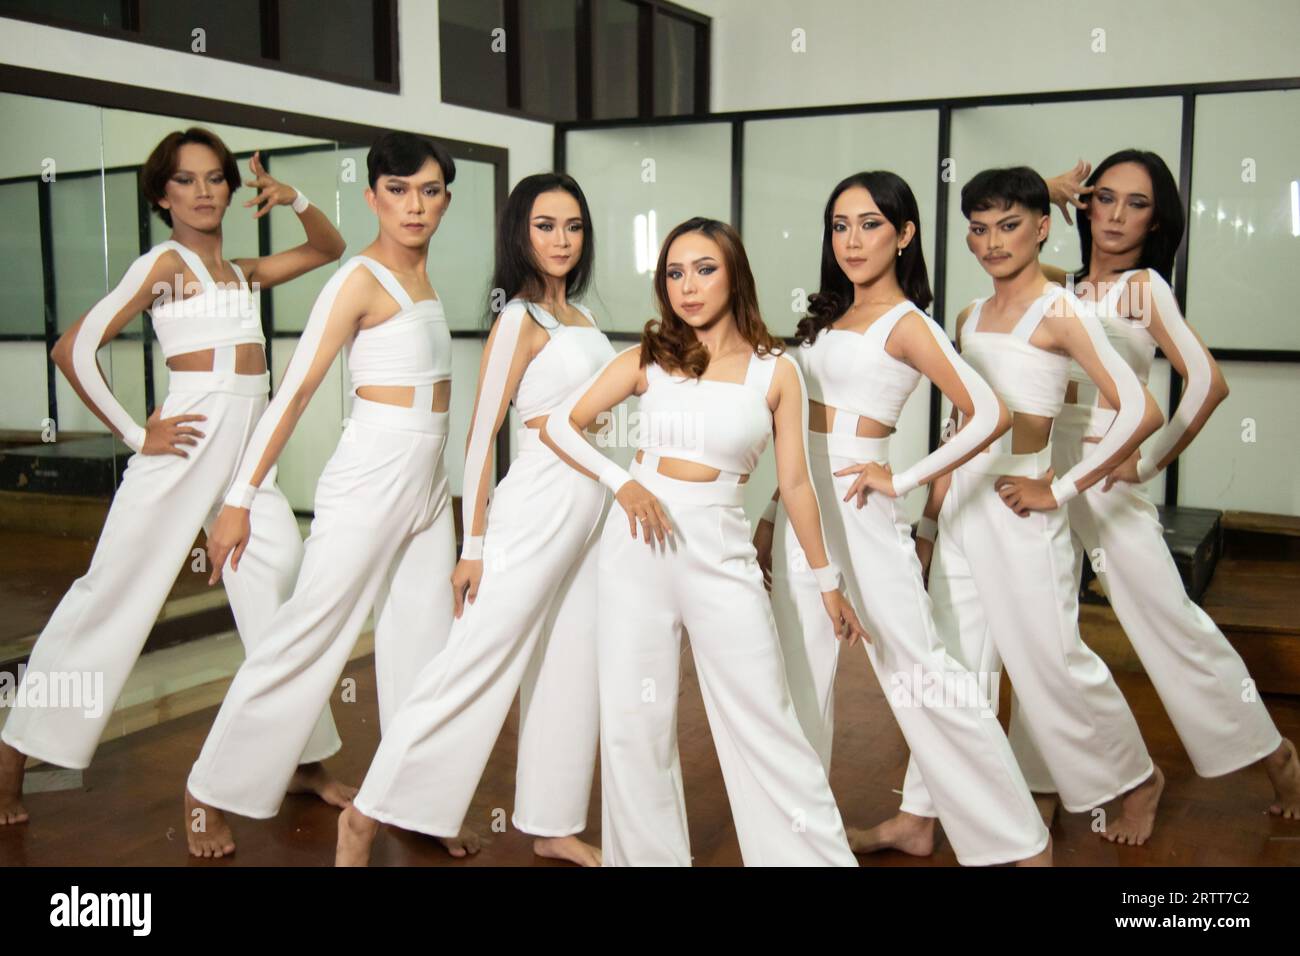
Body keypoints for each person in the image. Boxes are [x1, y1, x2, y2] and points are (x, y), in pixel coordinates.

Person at [0, 128, 345, 828]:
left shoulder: (243, 274)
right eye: (185, 181)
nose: (204, 191)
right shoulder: (166, 264)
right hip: (183, 448)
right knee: (113, 594)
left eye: (215, 177)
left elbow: (328, 250)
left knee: (280, 596)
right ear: (162, 195)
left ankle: (302, 760)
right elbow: (74, 348)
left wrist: (295, 196)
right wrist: (137, 435)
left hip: (249, 463)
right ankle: (12, 754)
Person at [538, 216, 866, 865]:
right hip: (636, 542)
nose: (688, 285)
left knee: (764, 715)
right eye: (675, 272)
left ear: (735, 273)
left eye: (705, 268)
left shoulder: (778, 370)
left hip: (720, 545)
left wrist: (828, 583)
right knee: (635, 722)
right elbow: (559, 424)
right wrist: (621, 483)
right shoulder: (649, 358)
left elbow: (797, 486)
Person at [756, 171, 1052, 865]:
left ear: (904, 234)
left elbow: (992, 412)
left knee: (922, 673)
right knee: (797, 677)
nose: (852, 239)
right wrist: (774, 507)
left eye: (869, 224)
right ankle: (802, 844)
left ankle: (1022, 841)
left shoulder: (907, 323)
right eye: (840, 225)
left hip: (861, 515)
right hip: (807, 514)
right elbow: (803, 437)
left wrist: (903, 481)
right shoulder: (829, 318)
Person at [874, 166, 1168, 854]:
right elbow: (958, 425)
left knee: (1052, 662)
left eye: (1010, 226)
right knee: (951, 664)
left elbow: (1142, 409)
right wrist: (931, 514)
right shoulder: (970, 317)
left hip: (1021, 508)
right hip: (963, 511)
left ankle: (1139, 777)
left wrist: (1058, 491)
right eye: (979, 228)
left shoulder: (1063, 312)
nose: (992, 241)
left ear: (1041, 229)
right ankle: (921, 813)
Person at [183, 131, 459, 857]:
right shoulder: (358, 280)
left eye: (429, 190)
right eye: (398, 190)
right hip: (371, 478)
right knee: (309, 635)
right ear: (373, 197)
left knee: (427, 646)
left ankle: (413, 802)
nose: (414, 205)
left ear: (445, 201)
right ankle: (206, 787)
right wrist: (239, 498)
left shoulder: (426, 278)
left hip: (429, 484)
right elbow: (297, 389)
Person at [1009, 153, 1300, 826]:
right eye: (1102, 198)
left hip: (1105, 470)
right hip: (1044, 471)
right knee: (1043, 626)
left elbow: (1207, 382)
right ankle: (1046, 781)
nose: (1114, 215)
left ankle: (1275, 753)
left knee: (1168, 622)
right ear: (1083, 206)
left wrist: (1144, 463)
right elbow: (995, 239)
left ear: (1156, 218)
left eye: (1134, 204)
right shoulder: (1063, 288)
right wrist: (1039, 191)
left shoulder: (1144, 289)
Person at [335, 173, 614, 868]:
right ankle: (367, 815)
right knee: (473, 665)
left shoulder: (580, 319)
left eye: (573, 226)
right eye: (545, 225)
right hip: (536, 512)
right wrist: (474, 545)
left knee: (568, 665)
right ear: (520, 233)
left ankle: (551, 823)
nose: (561, 240)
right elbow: (482, 434)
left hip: (589, 516)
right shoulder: (521, 318)